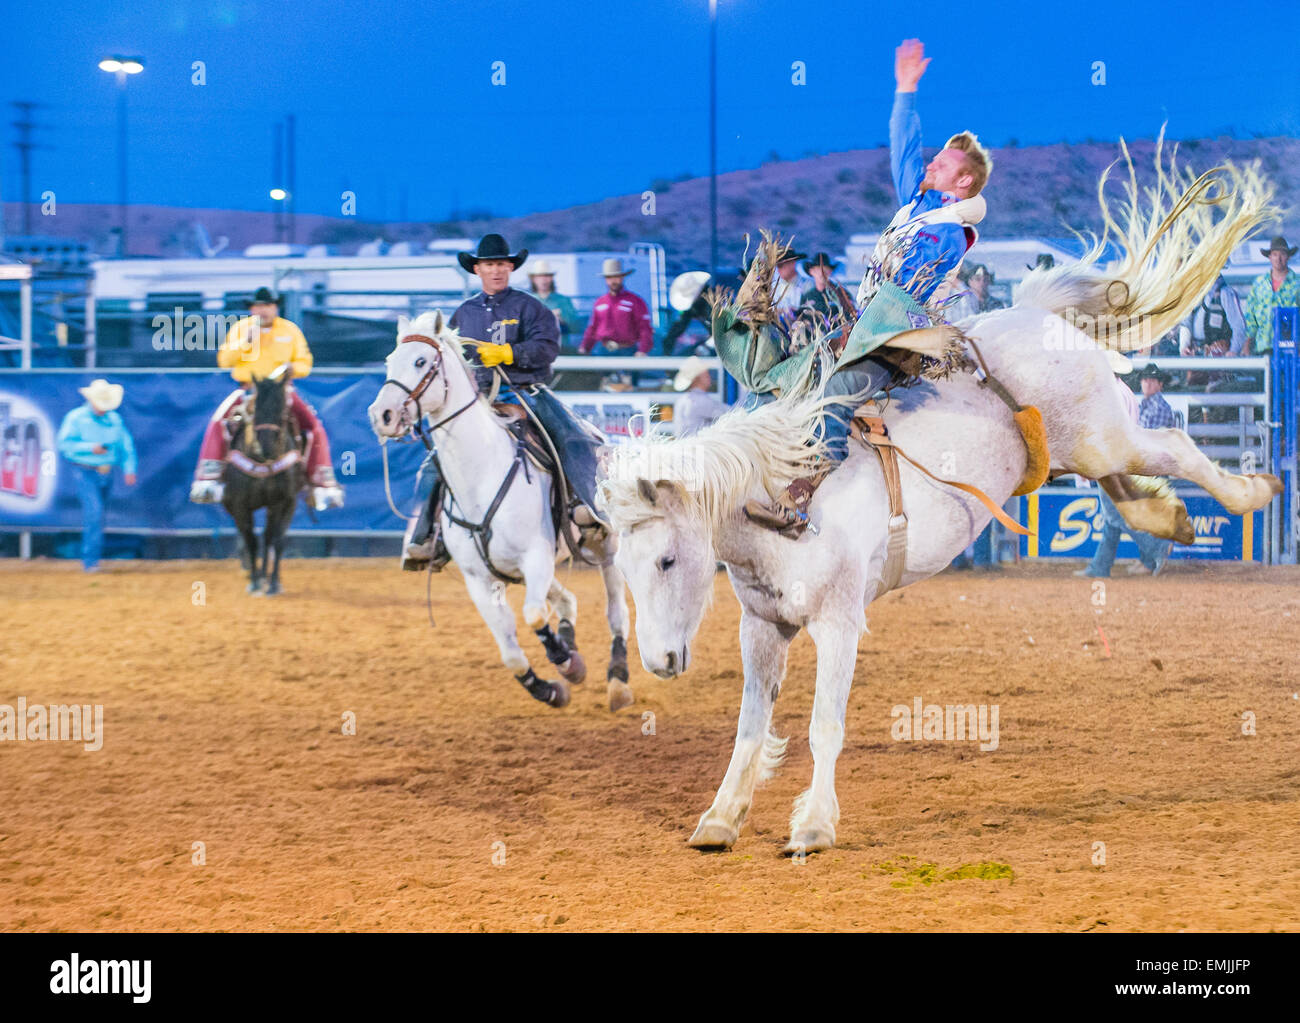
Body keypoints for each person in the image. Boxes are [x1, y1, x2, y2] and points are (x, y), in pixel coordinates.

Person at [740, 37, 993, 535]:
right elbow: (902, 150)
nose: (929, 165)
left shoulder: (947, 228)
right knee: (774, 376)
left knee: (836, 392)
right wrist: (904, 90)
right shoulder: (917, 208)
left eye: (941, 164)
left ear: (962, 183)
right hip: (863, 327)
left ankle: (799, 500)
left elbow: (906, 287)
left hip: (894, 341)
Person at [403, 233, 604, 571]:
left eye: (500, 264)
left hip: (527, 390)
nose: (495, 271)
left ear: (510, 267)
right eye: (488, 265)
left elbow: (548, 348)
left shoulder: (530, 308)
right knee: (436, 461)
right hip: (477, 399)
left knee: (570, 436)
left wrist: (510, 352)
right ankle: (427, 536)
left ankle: (588, 507)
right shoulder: (463, 314)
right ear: (477, 270)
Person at [189, 287, 344, 509]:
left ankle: (322, 484)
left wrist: (293, 367)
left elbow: (305, 363)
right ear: (252, 309)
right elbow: (224, 360)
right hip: (249, 390)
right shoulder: (241, 329)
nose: (263, 311)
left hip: (281, 392)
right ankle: (209, 479)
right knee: (218, 422)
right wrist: (246, 342)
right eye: (258, 306)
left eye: (267, 306)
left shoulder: (290, 330)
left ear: (275, 307)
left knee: (313, 426)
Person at [1075, 369, 1172, 577]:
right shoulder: (1125, 393)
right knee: (1112, 519)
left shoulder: (1110, 395)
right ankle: (1100, 567)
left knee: (1116, 515)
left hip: (1111, 460)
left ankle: (1158, 546)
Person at [56, 379, 137, 572]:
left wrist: (129, 468)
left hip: (106, 473)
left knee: (97, 515)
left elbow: (126, 445)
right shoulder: (76, 418)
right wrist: (90, 449)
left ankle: (93, 559)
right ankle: (90, 561)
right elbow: (64, 445)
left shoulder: (115, 420)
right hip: (85, 472)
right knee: (94, 512)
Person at [578, 259, 653, 356]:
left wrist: (643, 350)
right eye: (609, 278)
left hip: (627, 349)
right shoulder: (600, 302)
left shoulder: (635, 301)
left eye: (616, 277)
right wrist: (585, 347)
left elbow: (645, 328)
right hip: (604, 350)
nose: (613, 281)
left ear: (622, 278)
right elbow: (592, 328)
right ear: (605, 280)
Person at [1244, 236, 1300, 355]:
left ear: (1288, 257)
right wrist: (1247, 343)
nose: (1278, 258)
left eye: (1282, 254)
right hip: (1263, 346)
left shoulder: (1297, 284)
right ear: (1269, 257)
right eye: (1275, 254)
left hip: (1290, 348)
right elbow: (1251, 315)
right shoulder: (1259, 283)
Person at [528, 259, 583, 352]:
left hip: (561, 348)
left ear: (551, 278)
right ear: (533, 279)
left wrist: (562, 318)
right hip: (536, 350)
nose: (543, 280)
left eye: (546, 276)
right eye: (539, 276)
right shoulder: (527, 301)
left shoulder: (564, 301)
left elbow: (576, 328)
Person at [797, 253, 857, 334]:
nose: (822, 273)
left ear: (830, 271)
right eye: (818, 270)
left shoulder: (842, 294)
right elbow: (802, 321)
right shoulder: (807, 296)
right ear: (811, 272)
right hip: (814, 340)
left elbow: (851, 317)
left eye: (825, 270)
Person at [672, 355, 728, 436]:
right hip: (699, 446)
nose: (709, 377)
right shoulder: (700, 401)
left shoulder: (681, 400)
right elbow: (731, 413)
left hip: (685, 445)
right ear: (698, 378)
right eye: (706, 374)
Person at [663, 271, 714, 356]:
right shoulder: (695, 307)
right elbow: (680, 326)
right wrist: (668, 345)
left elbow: (726, 332)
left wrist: (707, 346)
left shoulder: (714, 303)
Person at [772, 246, 811, 320]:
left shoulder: (807, 285)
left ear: (792, 264)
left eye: (781, 265)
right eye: (777, 266)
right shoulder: (775, 288)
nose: (778, 269)